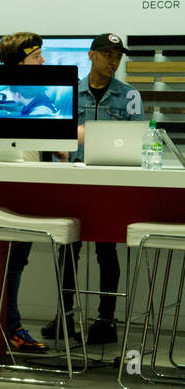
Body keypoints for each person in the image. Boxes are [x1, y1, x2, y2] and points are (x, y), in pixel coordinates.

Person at [41, 33, 145, 345]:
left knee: (107, 249)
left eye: (118, 56)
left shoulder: (130, 96)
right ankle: (66, 316)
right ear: (91, 55)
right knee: (67, 248)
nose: (114, 61)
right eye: (108, 55)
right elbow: (52, 131)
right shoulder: (68, 92)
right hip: (72, 180)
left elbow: (139, 141)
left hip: (111, 183)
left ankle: (105, 319)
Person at [0, 32, 71, 355]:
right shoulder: (29, 97)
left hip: (17, 183)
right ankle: (10, 329)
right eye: (37, 56)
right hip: (15, 187)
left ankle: (6, 328)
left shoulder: (8, 94)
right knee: (13, 260)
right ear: (21, 62)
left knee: (13, 261)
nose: (43, 61)